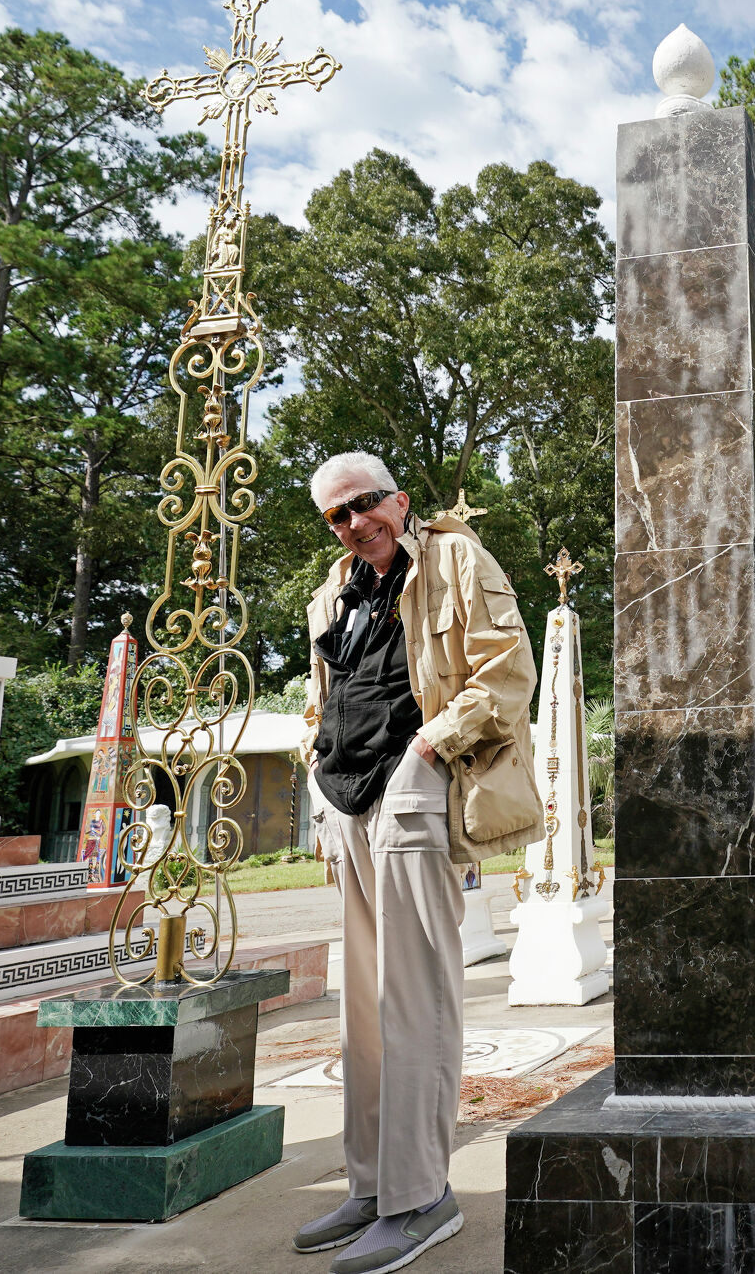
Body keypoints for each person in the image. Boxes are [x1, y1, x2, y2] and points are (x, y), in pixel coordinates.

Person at [291, 452, 545, 1274]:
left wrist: (429, 750)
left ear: (398, 500)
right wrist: (315, 760)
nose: (354, 522)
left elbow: (507, 673)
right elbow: (325, 691)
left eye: (364, 503)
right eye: (336, 514)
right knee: (362, 1010)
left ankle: (422, 1196)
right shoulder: (332, 589)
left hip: (411, 789)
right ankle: (372, 1186)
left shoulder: (456, 558)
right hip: (344, 800)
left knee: (415, 1001)